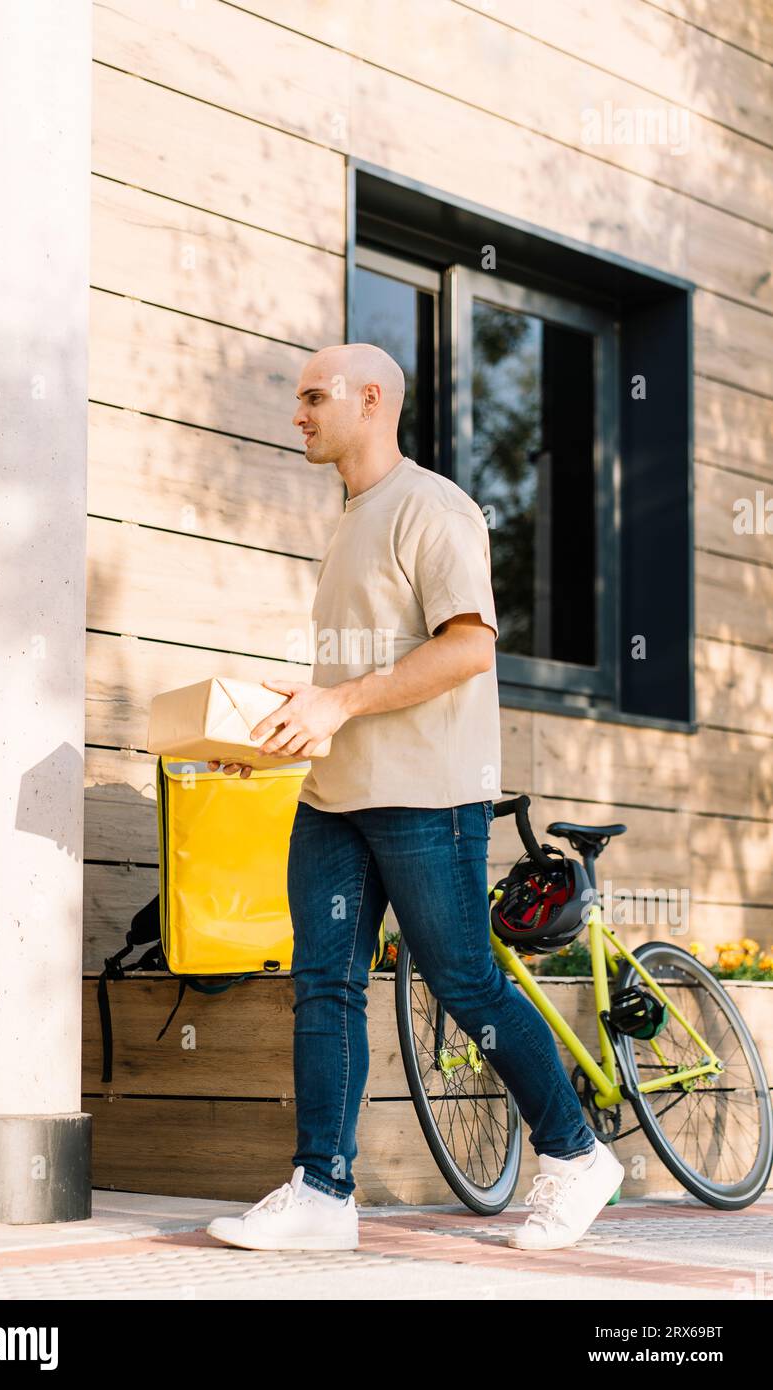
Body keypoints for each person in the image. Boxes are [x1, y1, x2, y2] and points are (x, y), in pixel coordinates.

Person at [205, 342, 623, 1253]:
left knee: (464, 983)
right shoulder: (350, 517)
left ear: (370, 400)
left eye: (314, 397)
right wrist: (278, 733)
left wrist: (341, 700)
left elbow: (470, 647)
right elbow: (354, 681)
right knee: (324, 987)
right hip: (333, 798)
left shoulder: (433, 507)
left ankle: (576, 1155)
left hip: (425, 796)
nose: (298, 414)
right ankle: (322, 1192)